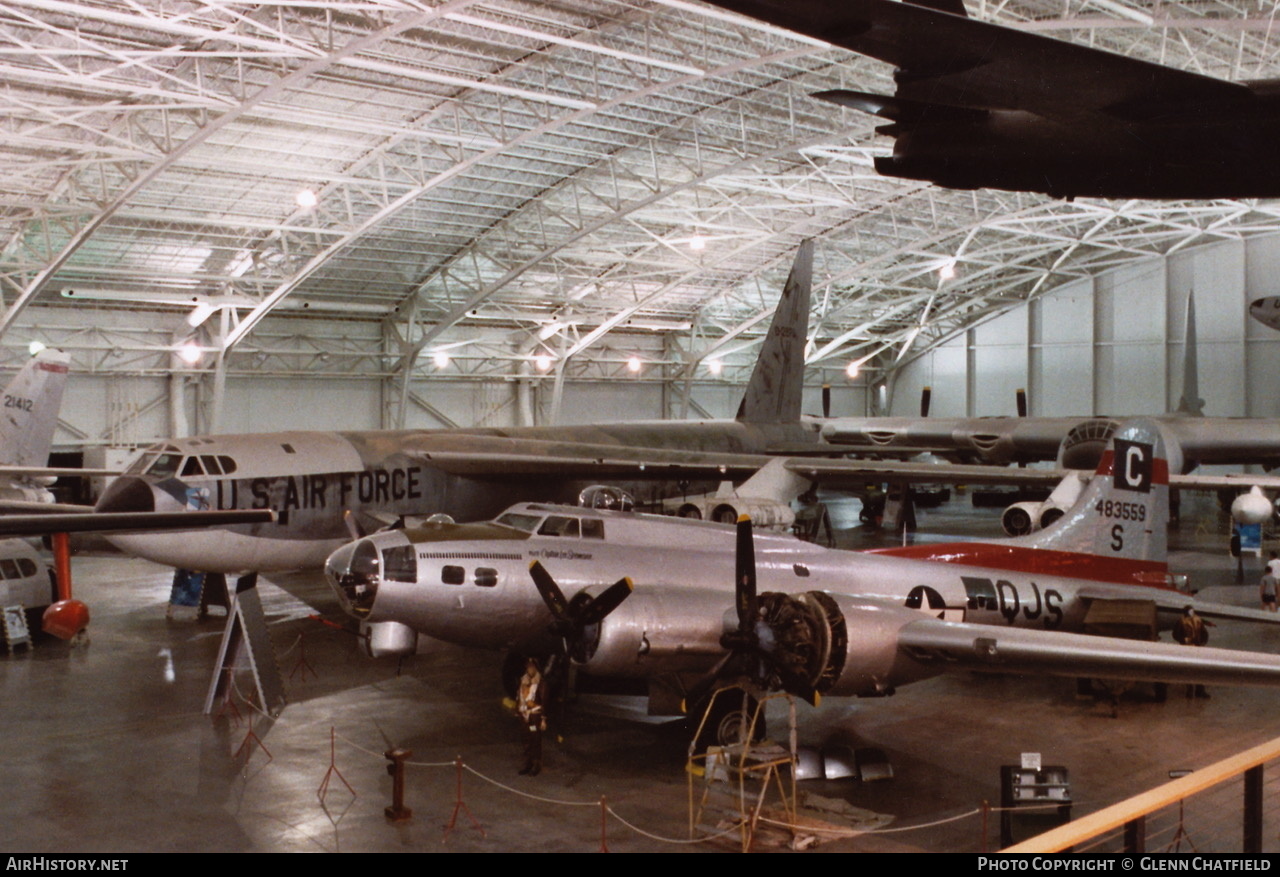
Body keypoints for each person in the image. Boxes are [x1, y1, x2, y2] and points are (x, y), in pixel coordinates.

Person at [1173, 606, 1211, 699]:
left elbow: (1204, 633)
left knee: (1199, 669)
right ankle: (1190, 692)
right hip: (1187, 648)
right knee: (1189, 669)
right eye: (1190, 611)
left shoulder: (1198, 620)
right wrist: (1184, 640)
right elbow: (1175, 634)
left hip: (1197, 647)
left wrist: (1202, 642)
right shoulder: (1181, 621)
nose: (1191, 613)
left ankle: (1200, 690)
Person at [517, 657, 546, 776]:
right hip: (524, 716)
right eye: (528, 667)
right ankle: (528, 763)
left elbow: (544, 701)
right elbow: (519, 697)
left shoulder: (541, 683)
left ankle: (536, 764)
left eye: (532, 667)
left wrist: (543, 719)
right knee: (526, 740)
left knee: (535, 740)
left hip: (534, 716)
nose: (530, 669)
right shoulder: (523, 681)